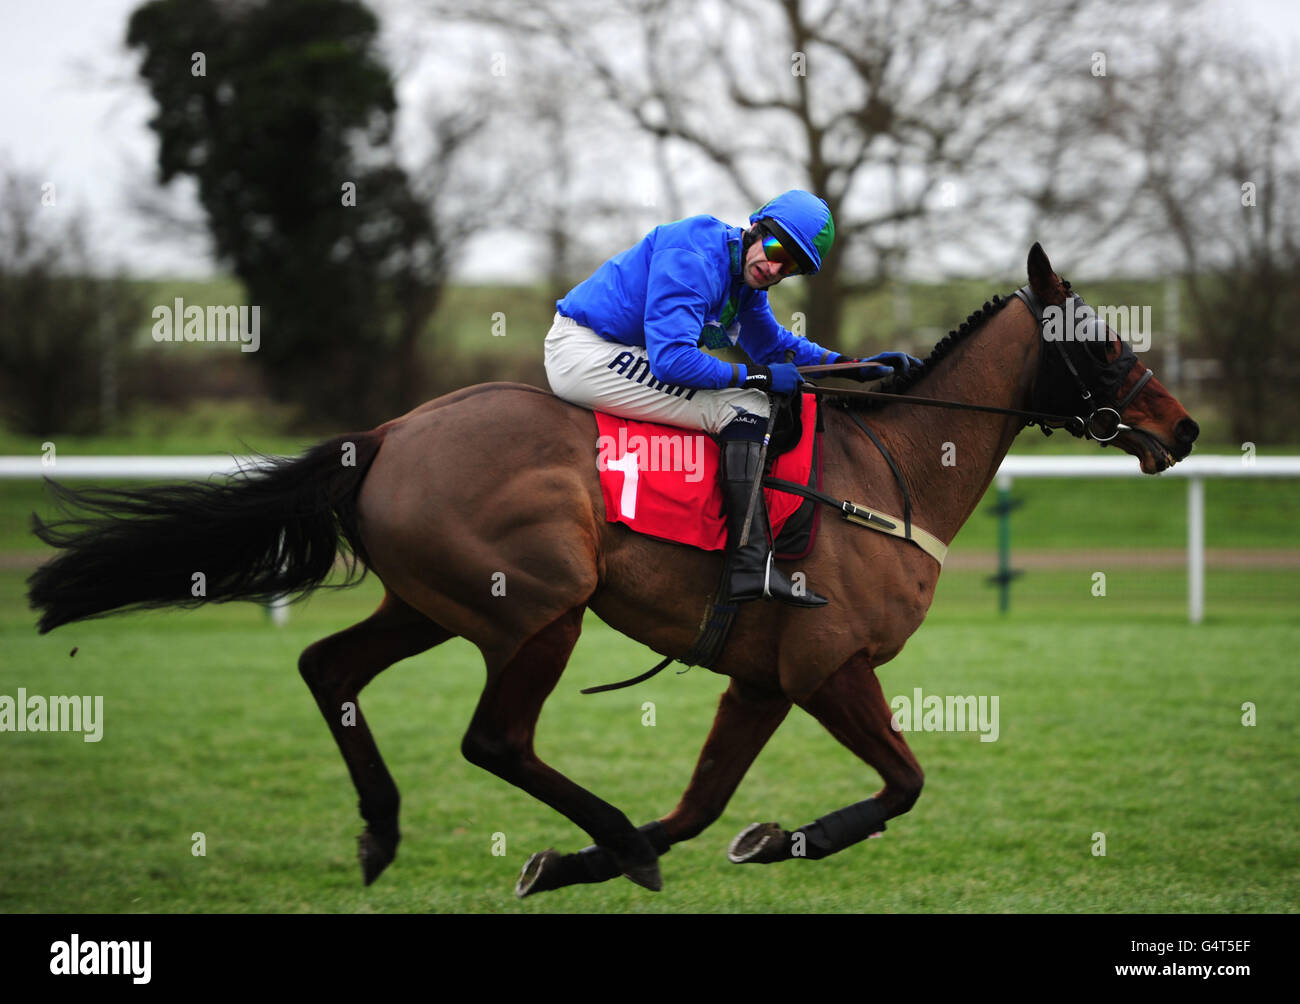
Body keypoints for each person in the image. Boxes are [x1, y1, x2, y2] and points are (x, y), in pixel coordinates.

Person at [545, 190, 920, 607]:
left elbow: (775, 346)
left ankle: (745, 554)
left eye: (791, 266)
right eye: (777, 248)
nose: (775, 267)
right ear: (756, 228)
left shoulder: (744, 282)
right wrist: (757, 377)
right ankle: (749, 563)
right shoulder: (695, 255)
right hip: (584, 353)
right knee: (744, 403)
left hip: (619, 352)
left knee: (751, 398)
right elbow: (672, 362)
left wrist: (852, 366)